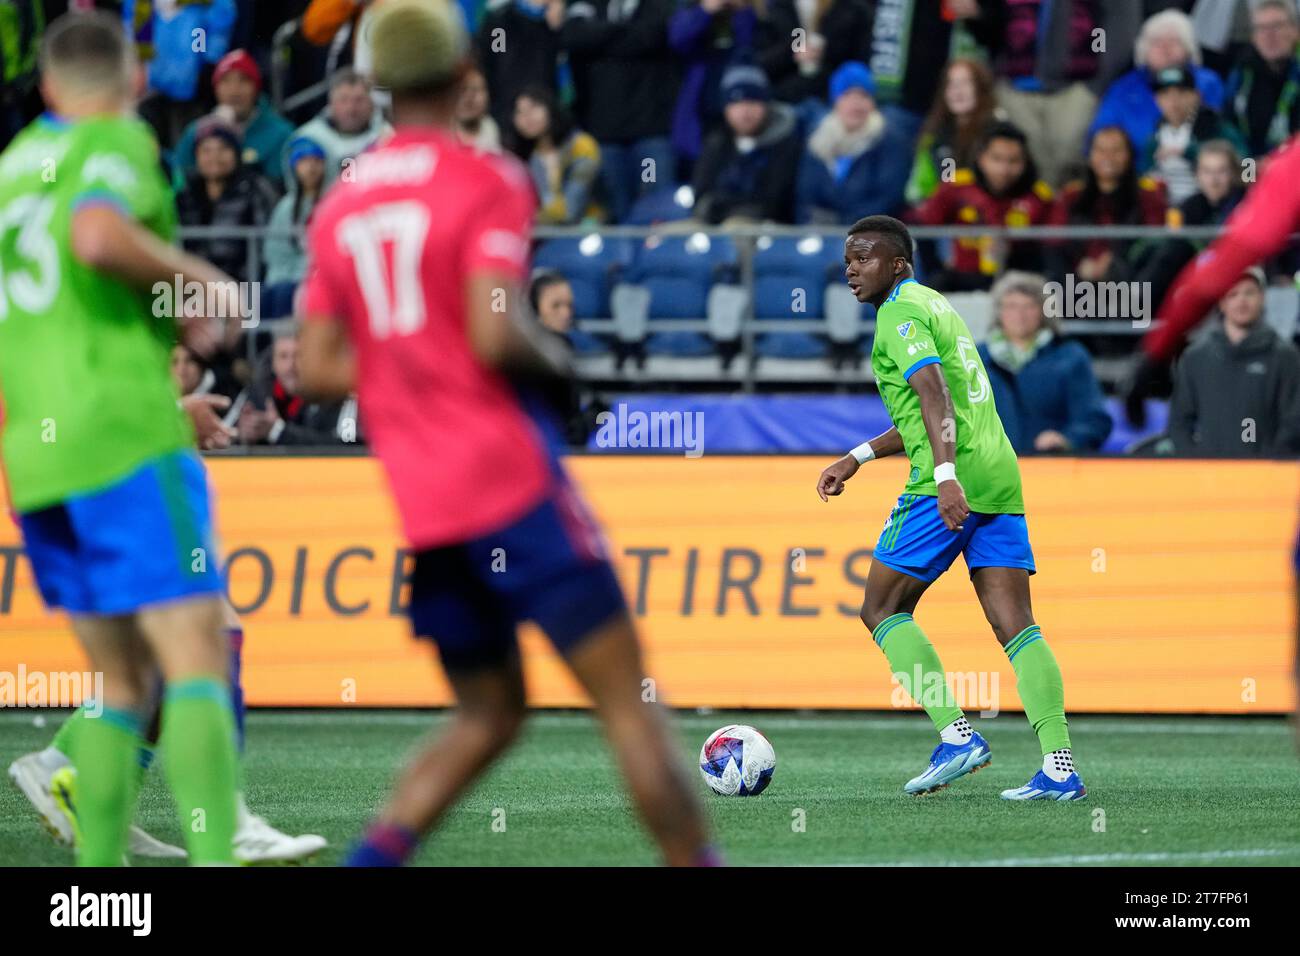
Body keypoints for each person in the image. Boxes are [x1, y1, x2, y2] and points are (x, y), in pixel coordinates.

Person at [294, 0, 717, 867]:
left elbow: (313, 367)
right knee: (628, 707)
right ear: (463, 79)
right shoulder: (488, 178)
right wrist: (557, 361)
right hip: (507, 480)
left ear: (371, 87)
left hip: (427, 505)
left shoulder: (338, 210)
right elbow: (494, 330)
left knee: (487, 715)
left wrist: (407, 361)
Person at [0, 10, 242, 866]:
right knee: (196, 654)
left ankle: (99, 898)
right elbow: (97, 237)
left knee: (119, 684)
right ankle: (221, 853)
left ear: (47, 86)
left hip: (37, 458)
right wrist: (203, 279)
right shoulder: (117, 142)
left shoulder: (10, 170)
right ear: (134, 80)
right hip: (122, 444)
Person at [815, 215, 1084, 801]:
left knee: (881, 608)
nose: (853, 269)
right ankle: (1060, 768)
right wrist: (858, 456)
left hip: (952, 475)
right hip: (999, 472)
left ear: (899, 265)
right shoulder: (934, 304)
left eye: (865, 258)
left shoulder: (898, 314)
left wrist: (942, 477)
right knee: (1017, 627)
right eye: (847, 261)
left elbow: (934, 394)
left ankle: (958, 736)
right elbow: (929, 409)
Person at [1167, 267, 1300, 458]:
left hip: (1266, 478)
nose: (1241, 301)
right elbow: (1179, 422)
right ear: (1221, 301)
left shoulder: (1285, 356)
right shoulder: (1196, 357)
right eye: (1233, 294)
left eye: (1249, 292)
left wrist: (1270, 461)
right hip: (1209, 478)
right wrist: (1195, 462)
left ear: (1262, 298)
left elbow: (1294, 421)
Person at [909, 121, 1055, 291]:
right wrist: (935, 268)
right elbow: (923, 226)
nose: (1004, 169)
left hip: (1019, 281)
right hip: (963, 278)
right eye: (996, 159)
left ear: (1025, 162)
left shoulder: (1039, 197)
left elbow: (1052, 249)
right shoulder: (956, 187)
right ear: (981, 158)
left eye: (1013, 161)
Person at [978, 272, 1112, 455]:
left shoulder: (1070, 357)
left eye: (1029, 306)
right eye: (1011, 306)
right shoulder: (976, 357)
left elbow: (1094, 420)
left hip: (1052, 468)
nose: (1020, 315)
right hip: (992, 469)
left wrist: (1067, 440)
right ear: (998, 312)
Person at [1089, 8, 1226, 151]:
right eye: (1157, 42)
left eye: (1174, 41)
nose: (1165, 49)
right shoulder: (1124, 87)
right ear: (1143, 50)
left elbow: (1218, 131)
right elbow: (1101, 132)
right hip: (1136, 166)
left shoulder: (1207, 82)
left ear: (1189, 49)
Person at [795, 61, 913, 223]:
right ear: (835, 100)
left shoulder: (889, 139)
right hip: (820, 232)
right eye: (847, 95)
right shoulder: (818, 139)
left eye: (863, 96)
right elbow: (805, 196)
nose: (856, 104)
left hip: (871, 234)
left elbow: (889, 198)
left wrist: (843, 224)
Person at [1049, 126, 1167, 285]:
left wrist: (1114, 259)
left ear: (1129, 155)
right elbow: (1055, 241)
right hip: (1077, 281)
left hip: (1132, 281)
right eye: (1100, 150)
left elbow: (1154, 241)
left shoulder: (1148, 196)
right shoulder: (1070, 196)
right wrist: (1081, 263)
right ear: (1089, 155)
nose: (1108, 157)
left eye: (1116, 150)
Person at [691, 63, 802, 224]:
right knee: (673, 235)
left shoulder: (785, 143)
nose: (745, 111)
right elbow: (701, 192)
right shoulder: (717, 143)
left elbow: (774, 202)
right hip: (714, 221)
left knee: (735, 227)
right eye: (737, 103)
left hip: (765, 228)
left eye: (753, 102)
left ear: (766, 105)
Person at [174, 115, 279, 284]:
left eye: (223, 149)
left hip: (242, 287)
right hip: (191, 287)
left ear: (236, 153)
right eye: (206, 150)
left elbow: (266, 247)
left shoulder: (256, 188)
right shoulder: (185, 192)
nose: (215, 157)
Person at [171, 49, 294, 190]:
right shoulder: (197, 132)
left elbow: (280, 189)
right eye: (226, 81)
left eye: (243, 80)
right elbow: (179, 180)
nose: (234, 90)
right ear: (216, 89)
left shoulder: (280, 134)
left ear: (256, 88)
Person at [1139, 65, 1245, 206]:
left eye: (1181, 92)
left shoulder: (1219, 129)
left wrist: (1191, 152)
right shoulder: (1154, 139)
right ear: (1157, 99)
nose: (1173, 100)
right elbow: (1144, 176)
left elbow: (1248, 163)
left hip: (1214, 210)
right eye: (1165, 93)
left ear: (1197, 96)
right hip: (1166, 215)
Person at [905, 57, 1002, 206]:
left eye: (965, 83)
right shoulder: (934, 137)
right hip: (943, 219)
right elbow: (919, 190)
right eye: (951, 84)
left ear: (981, 88)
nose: (957, 91)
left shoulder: (999, 132)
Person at [507, 86, 603, 225]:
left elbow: (571, 209)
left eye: (534, 107)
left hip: (590, 232)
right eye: (519, 112)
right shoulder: (521, 158)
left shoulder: (581, 146)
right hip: (542, 235)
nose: (527, 117)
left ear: (550, 108)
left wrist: (526, 219)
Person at [1224, 0, 1300, 160]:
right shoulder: (1242, 74)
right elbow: (1232, 133)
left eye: (1277, 26)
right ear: (1253, 37)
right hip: (1252, 165)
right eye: (1261, 28)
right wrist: (1251, 171)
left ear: (1295, 31)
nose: (1269, 35)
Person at [288, 68, 391, 184]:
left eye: (359, 100)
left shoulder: (388, 137)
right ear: (331, 103)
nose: (351, 109)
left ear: (371, 104)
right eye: (343, 100)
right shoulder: (310, 139)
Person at [263, 136, 327, 317]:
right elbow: (276, 254)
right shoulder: (286, 208)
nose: (311, 167)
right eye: (304, 161)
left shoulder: (332, 204)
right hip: (290, 281)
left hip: (324, 280)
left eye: (317, 161)